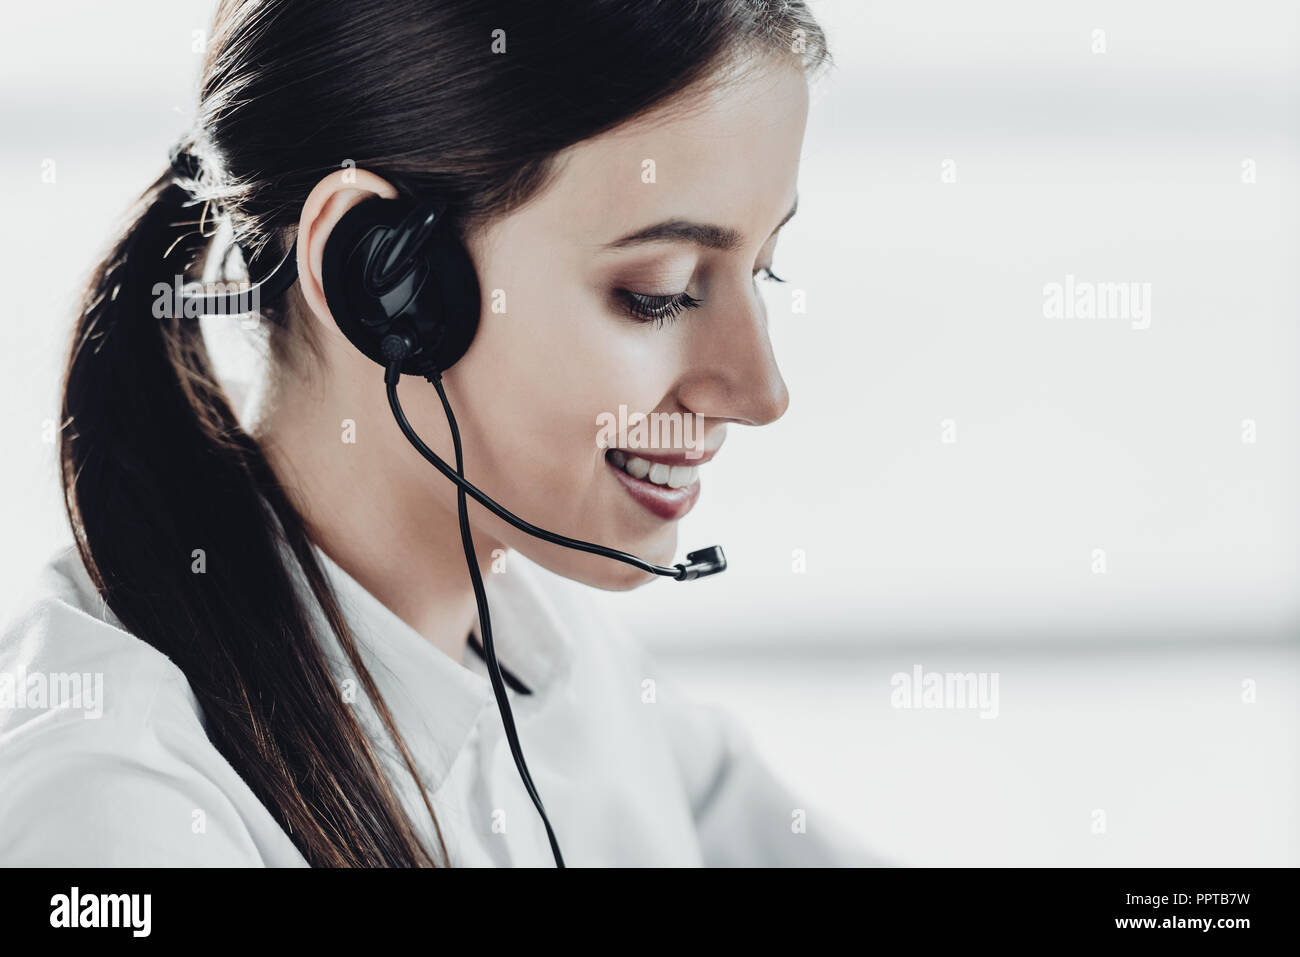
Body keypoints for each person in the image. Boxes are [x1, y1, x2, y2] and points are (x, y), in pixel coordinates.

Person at [0, 0, 876, 866]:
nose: (760, 392)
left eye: (766, 269)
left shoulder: (565, 655)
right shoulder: (115, 809)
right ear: (382, 274)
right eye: (659, 289)